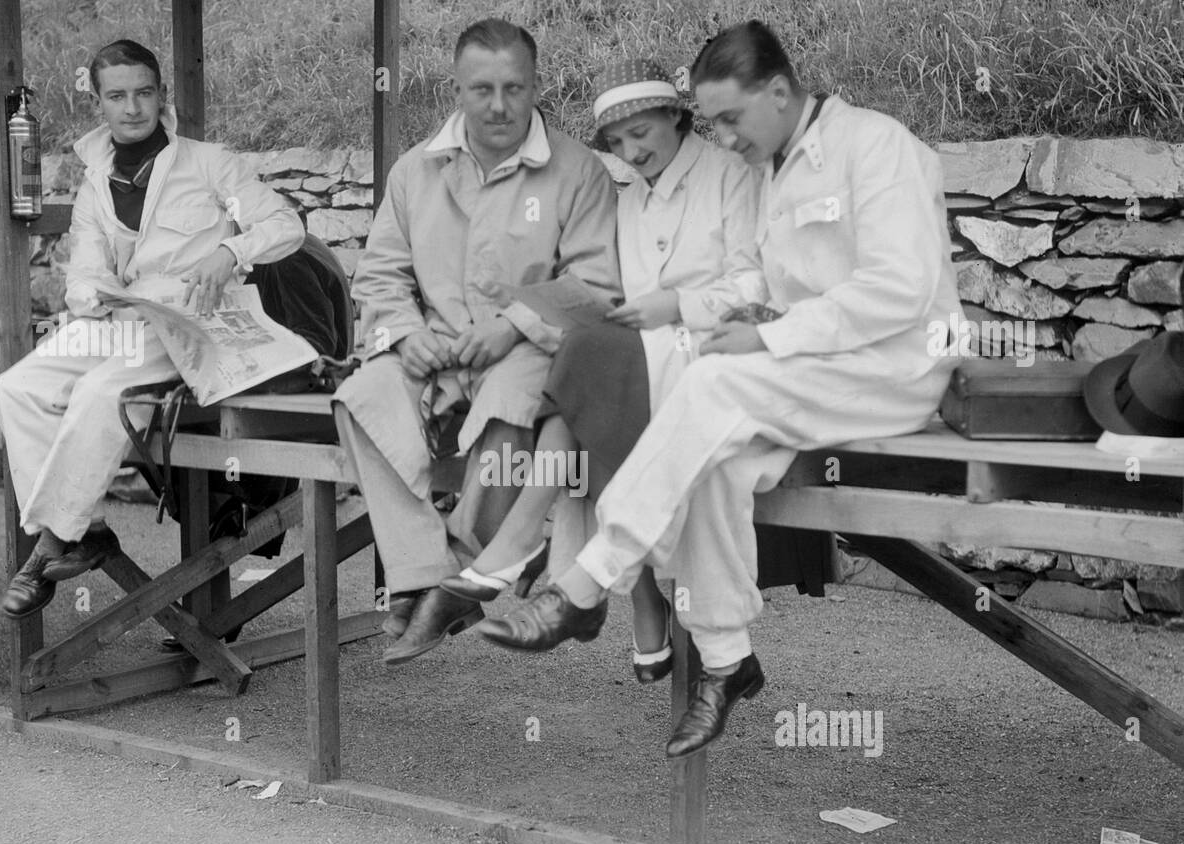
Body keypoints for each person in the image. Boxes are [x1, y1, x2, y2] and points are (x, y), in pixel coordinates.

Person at [480, 20, 964, 759]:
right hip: (812, 366)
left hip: (893, 368)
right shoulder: (772, 167)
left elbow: (899, 290)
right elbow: (765, 283)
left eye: (732, 119)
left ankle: (584, 585)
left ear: (778, 90)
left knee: (708, 384)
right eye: (714, 124)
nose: (725, 139)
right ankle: (728, 659)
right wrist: (723, 318)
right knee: (713, 455)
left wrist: (767, 337)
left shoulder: (877, 146)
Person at [441, 58, 832, 684]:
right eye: (618, 143)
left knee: (587, 377)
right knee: (586, 373)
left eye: (641, 134)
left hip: (720, 349)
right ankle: (612, 598)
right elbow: (619, 289)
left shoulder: (732, 174)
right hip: (646, 358)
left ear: (677, 119)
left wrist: (676, 307)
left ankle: (532, 556)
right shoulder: (628, 198)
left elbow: (759, 278)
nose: (631, 150)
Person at [332, 18, 620, 666]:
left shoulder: (578, 172)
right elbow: (379, 274)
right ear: (456, 88)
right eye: (481, 89)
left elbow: (600, 285)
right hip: (435, 347)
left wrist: (514, 323)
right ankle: (419, 573)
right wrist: (402, 335)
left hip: (529, 349)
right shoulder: (415, 171)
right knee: (362, 396)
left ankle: (462, 575)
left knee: (513, 407)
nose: (498, 105)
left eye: (514, 88)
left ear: (537, 84)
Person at [0, 39, 306, 618]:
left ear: (161, 94)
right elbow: (84, 272)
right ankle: (85, 529)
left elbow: (284, 224)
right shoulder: (94, 183)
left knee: (99, 393)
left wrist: (231, 253)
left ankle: (51, 545)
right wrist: (92, 295)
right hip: (126, 322)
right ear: (100, 102)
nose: (132, 107)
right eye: (117, 96)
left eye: (143, 92)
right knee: (16, 387)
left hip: (196, 324)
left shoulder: (209, 162)